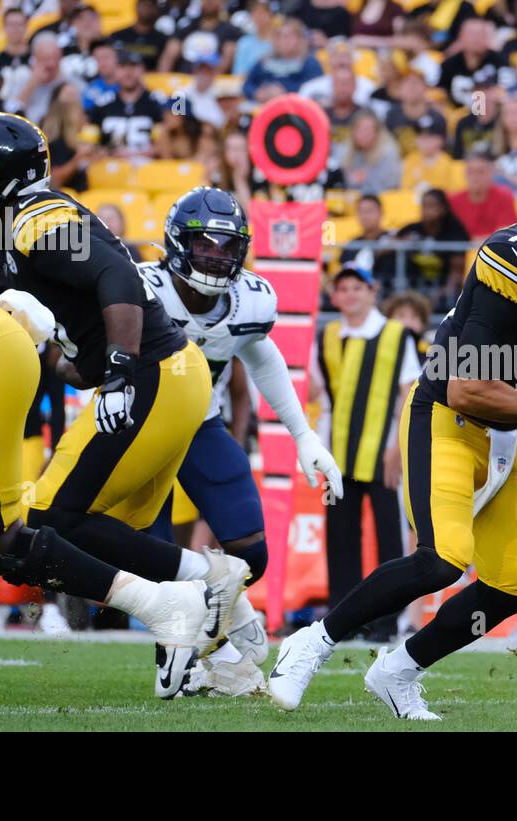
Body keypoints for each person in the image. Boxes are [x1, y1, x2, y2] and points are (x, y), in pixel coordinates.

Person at [269, 125, 517, 719]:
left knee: (516, 582)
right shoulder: (513, 258)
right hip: (449, 414)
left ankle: (399, 670)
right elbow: (468, 388)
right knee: (442, 558)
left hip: (512, 423)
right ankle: (312, 641)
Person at [0, 113, 251, 698]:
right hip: (160, 377)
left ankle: (207, 579)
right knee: (113, 535)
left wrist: (120, 372)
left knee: (51, 518)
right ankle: (226, 658)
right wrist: (55, 353)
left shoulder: (35, 217)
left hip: (152, 373)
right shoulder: (0, 238)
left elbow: (118, 276)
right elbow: (74, 344)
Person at [140, 186, 343, 695]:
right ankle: (184, 658)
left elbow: (260, 353)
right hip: (136, 429)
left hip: (200, 424)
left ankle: (213, 623)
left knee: (251, 548)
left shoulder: (249, 301)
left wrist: (302, 434)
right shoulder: (144, 288)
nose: (217, 256)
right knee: (152, 550)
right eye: (205, 244)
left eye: (228, 246)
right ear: (177, 242)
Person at [310, 265, 420, 644]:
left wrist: (398, 448)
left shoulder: (394, 334)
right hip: (338, 454)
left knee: (391, 540)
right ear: (335, 296)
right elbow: (316, 392)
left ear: (372, 292)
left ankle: (389, 620)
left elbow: (408, 393)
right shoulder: (326, 337)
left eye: (359, 287)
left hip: (382, 453)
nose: (351, 294)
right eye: (344, 288)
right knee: (340, 540)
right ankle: (344, 619)